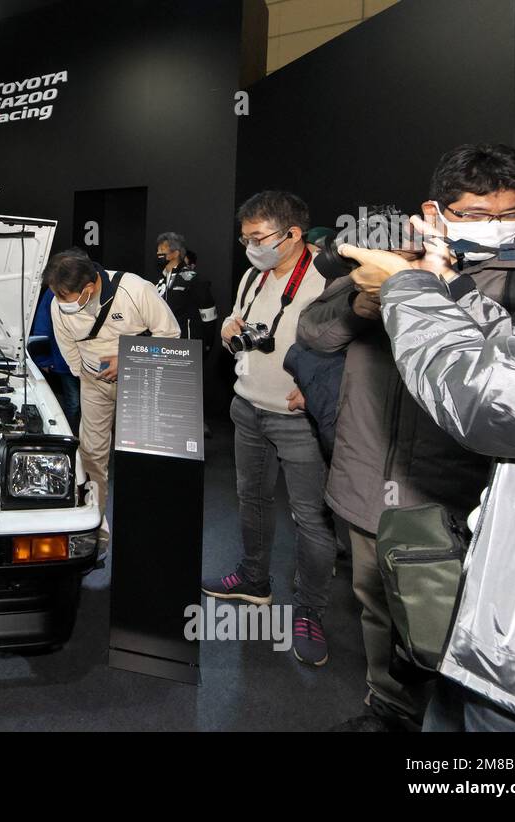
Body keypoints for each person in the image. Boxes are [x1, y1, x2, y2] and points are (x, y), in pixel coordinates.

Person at [339, 14, 515, 731]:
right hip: (388, 489)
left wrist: (411, 294)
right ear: (435, 213)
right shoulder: (428, 268)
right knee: (385, 618)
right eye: (476, 214)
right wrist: (404, 292)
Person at [298, 144, 515, 731]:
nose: (493, 229)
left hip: (454, 497)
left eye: (507, 216)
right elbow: (314, 335)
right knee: (376, 608)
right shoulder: (389, 263)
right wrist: (365, 306)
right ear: (435, 211)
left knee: (447, 625)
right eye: (472, 214)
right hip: (366, 476)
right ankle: (386, 709)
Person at [201, 191, 333, 667]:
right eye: (246, 239)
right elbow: (242, 323)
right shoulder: (254, 276)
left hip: (300, 420)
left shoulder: (328, 276)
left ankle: (309, 611)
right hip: (247, 407)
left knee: (311, 520)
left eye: (259, 238)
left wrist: (323, 386)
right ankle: (254, 580)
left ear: (293, 234)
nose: (251, 247)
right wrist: (228, 329)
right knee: (251, 498)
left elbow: (353, 344)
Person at [46, 248, 180, 555]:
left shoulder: (135, 289)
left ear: (90, 287)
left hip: (143, 382)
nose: (61, 303)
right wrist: (86, 377)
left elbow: (171, 336)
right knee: (91, 455)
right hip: (94, 384)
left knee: (144, 456)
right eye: (57, 295)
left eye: (67, 296)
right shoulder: (58, 304)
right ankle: (96, 526)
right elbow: (68, 347)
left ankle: (146, 529)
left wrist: (129, 358)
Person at [31, 286, 79, 433]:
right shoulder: (54, 290)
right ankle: (71, 435)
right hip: (66, 361)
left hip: (94, 363)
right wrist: (43, 360)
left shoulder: (92, 287)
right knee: (74, 402)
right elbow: (42, 325)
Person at [154, 232, 218, 344]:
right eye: (158, 250)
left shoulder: (194, 279)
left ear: (175, 253)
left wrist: (206, 345)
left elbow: (209, 316)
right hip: (162, 344)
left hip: (186, 346)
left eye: (162, 250)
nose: (158, 253)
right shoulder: (160, 281)